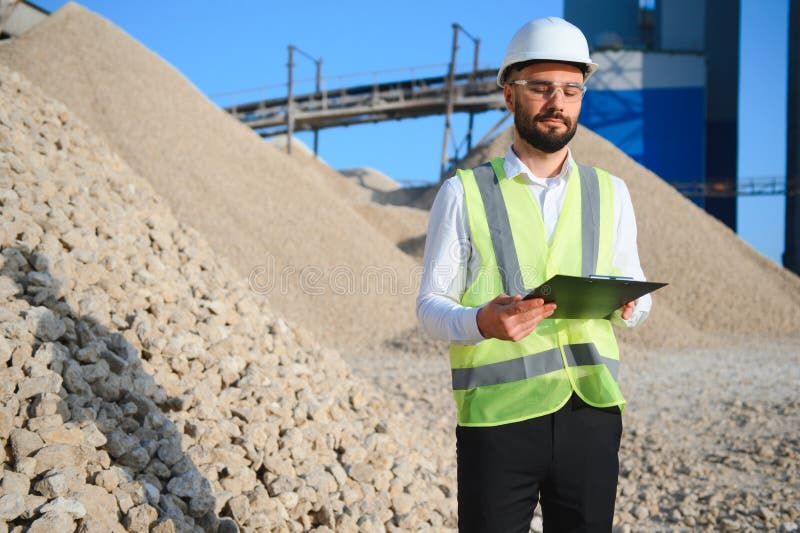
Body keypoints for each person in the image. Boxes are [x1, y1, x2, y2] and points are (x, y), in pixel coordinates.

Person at [416, 17, 652, 533]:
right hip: (498, 422)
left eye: (571, 90)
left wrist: (631, 305)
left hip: (590, 414)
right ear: (509, 96)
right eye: (542, 88)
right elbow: (429, 306)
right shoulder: (464, 192)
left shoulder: (611, 192)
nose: (557, 102)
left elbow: (634, 284)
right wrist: (481, 322)